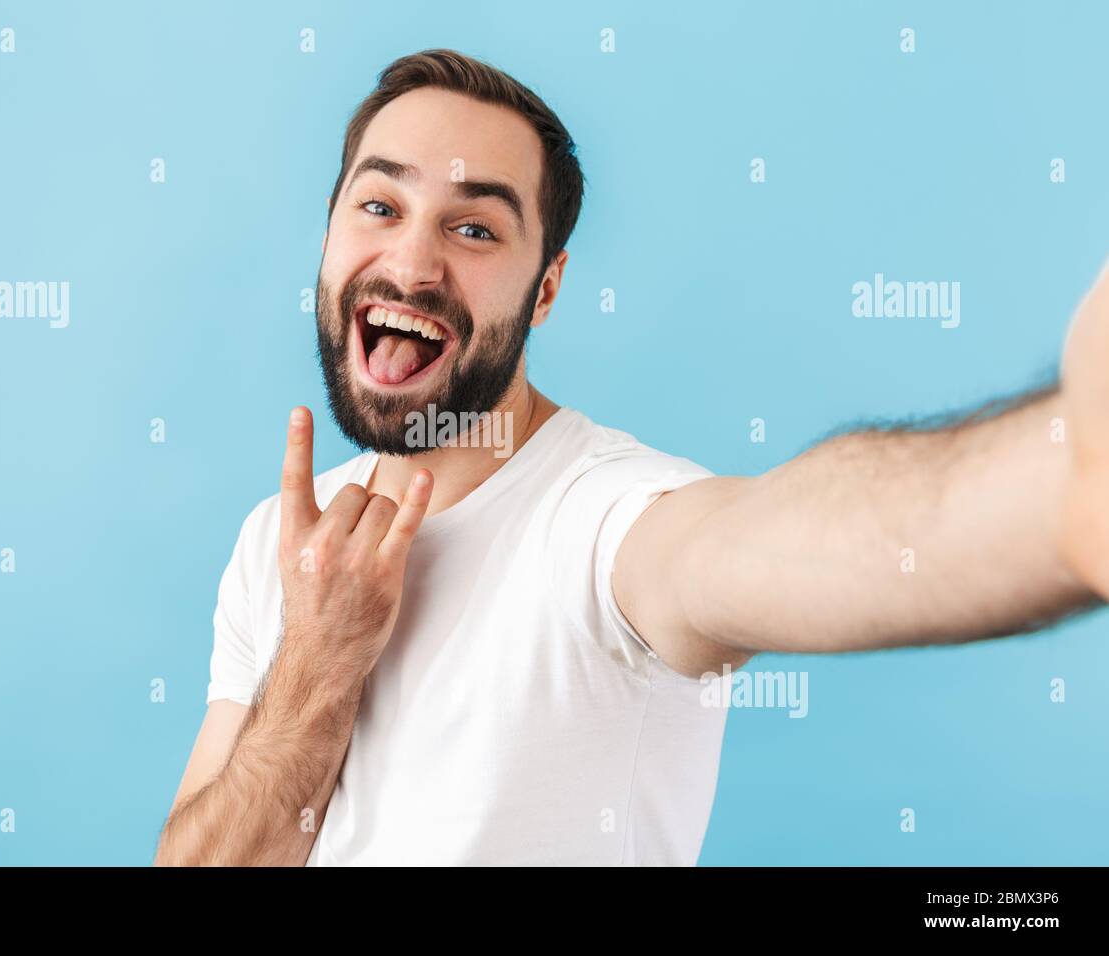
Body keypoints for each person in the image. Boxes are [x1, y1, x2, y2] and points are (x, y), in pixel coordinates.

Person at [154, 49, 1107, 866]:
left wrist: (1067, 486)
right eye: (378, 205)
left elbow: (756, 542)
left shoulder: (604, 519)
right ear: (328, 235)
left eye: (475, 226)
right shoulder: (279, 543)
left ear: (547, 289)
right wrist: (317, 659)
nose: (411, 263)